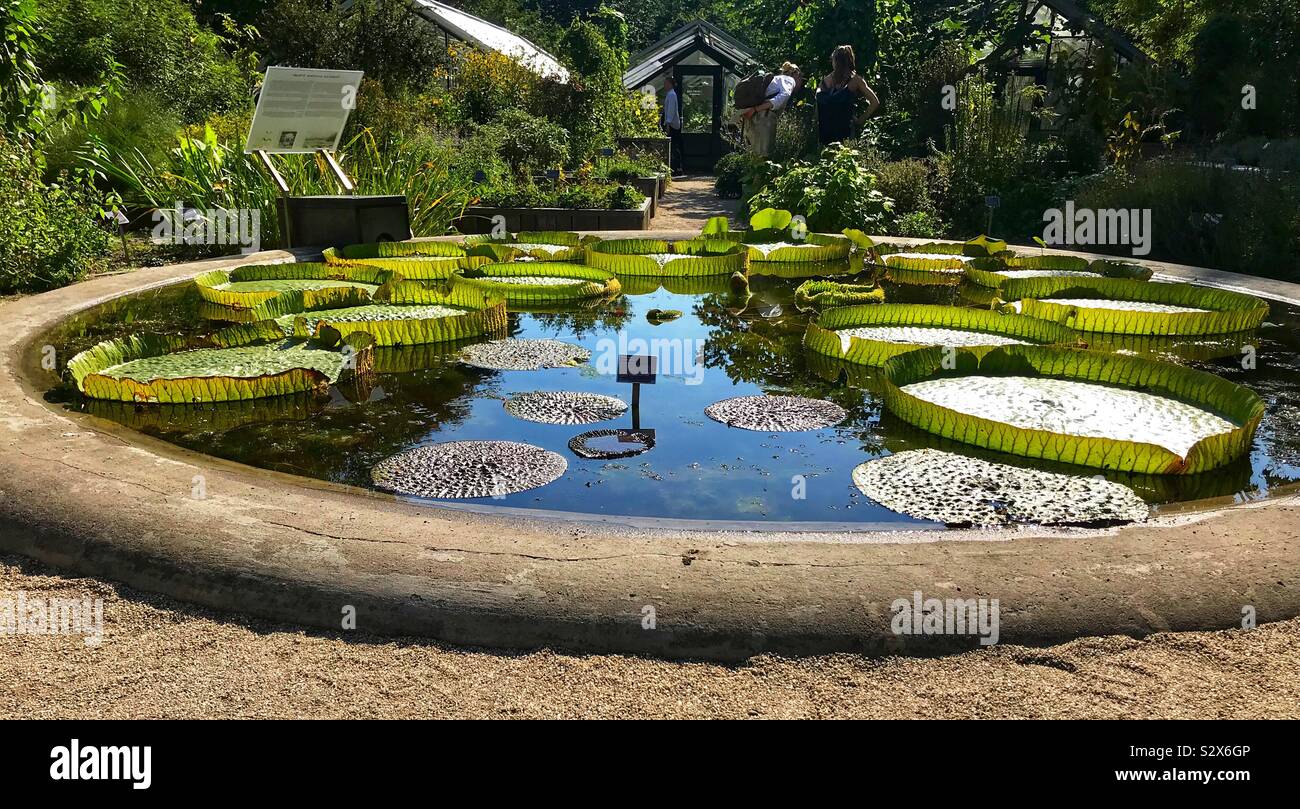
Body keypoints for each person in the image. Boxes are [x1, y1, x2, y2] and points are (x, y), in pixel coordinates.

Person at [816, 45, 880, 145]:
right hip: (846, 129)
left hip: (826, 130)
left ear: (835, 61)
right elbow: (875, 102)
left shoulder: (826, 81)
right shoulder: (855, 81)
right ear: (850, 60)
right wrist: (859, 121)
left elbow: (818, 102)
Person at [741, 62, 804, 157]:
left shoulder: (776, 79)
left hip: (752, 117)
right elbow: (782, 97)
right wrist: (755, 109)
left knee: (753, 155)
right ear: (797, 75)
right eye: (801, 79)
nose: (801, 83)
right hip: (764, 117)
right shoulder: (789, 80)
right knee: (764, 157)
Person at [662, 76, 683, 177]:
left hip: (673, 125)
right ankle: (676, 168)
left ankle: (676, 168)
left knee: (673, 146)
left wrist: (668, 123)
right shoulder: (670, 94)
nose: (664, 85)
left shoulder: (671, 95)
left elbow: (671, 110)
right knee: (674, 146)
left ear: (670, 84)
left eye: (665, 83)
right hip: (673, 124)